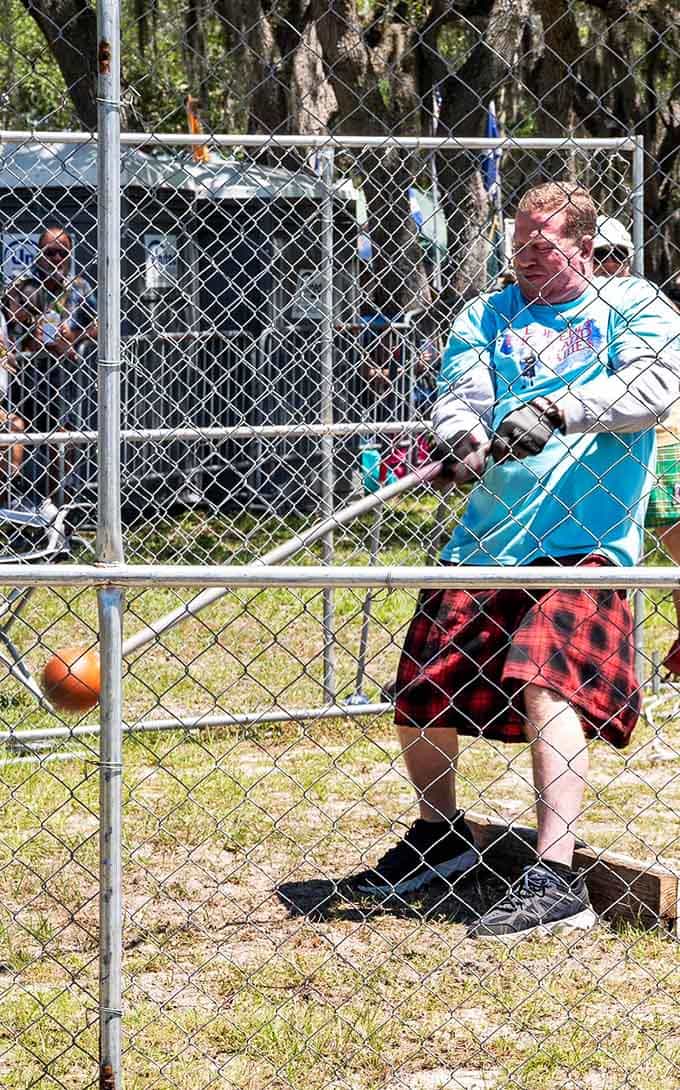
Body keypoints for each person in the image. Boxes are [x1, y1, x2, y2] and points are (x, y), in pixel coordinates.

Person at [345, 181, 680, 940]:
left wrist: (560, 411)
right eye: (519, 244)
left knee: (547, 681)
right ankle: (440, 836)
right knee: (421, 688)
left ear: (585, 247)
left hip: (586, 540)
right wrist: (461, 439)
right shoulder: (486, 315)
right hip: (487, 537)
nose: (527, 257)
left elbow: (656, 386)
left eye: (543, 245)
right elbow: (460, 394)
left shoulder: (632, 306)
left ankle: (553, 878)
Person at [593, 215, 680, 676]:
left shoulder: (642, 299)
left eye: (617, 255)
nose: (608, 264)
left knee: (678, 548)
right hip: (597, 451)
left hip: (662, 439)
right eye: (599, 254)